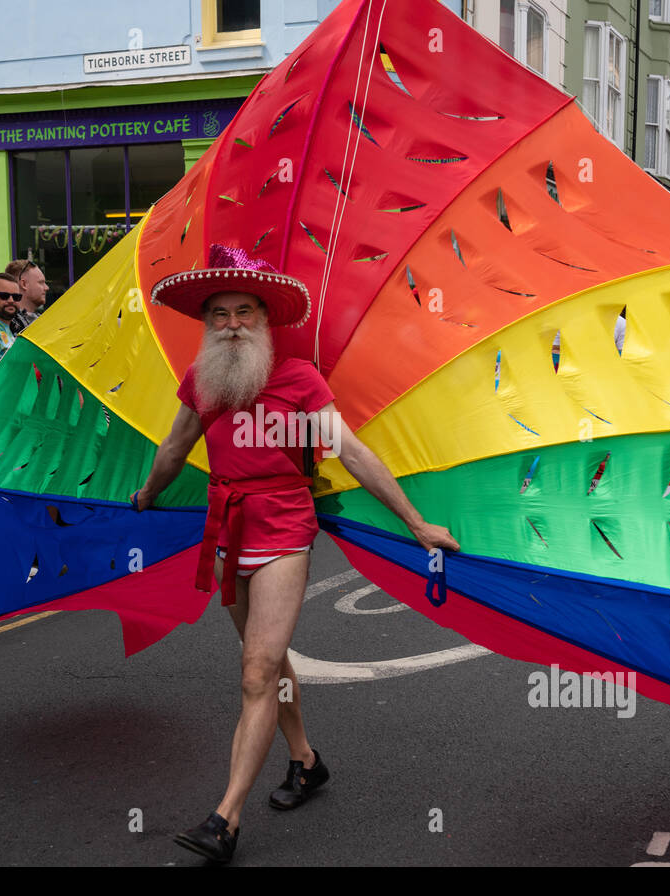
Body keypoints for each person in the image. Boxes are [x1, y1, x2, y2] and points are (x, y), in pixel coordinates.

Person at [135, 245, 459, 864]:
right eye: (220, 314)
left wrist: (417, 524)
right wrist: (147, 494)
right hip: (227, 530)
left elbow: (353, 453)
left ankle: (224, 820)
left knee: (256, 670)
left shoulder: (300, 380)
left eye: (245, 312)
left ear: (265, 319)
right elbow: (175, 447)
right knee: (272, 662)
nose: (232, 324)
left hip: (284, 528)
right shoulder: (202, 381)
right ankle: (306, 762)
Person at [5, 259, 47, 334]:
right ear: (24, 284)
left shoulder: (41, 319)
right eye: (41, 282)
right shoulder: (10, 323)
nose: (46, 288)